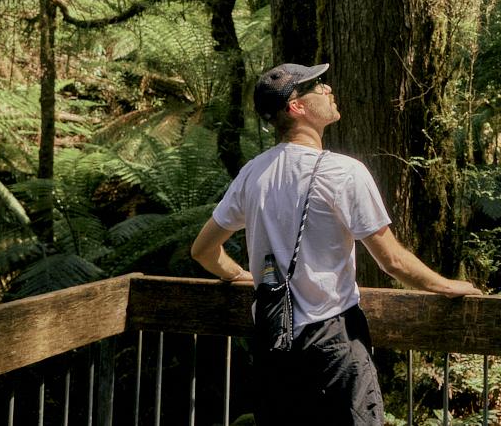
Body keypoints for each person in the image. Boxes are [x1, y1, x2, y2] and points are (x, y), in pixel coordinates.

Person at [191, 62, 480, 425]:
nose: (328, 89)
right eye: (317, 86)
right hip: (334, 343)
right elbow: (391, 260)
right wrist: (446, 285)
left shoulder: (252, 173)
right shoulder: (343, 171)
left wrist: (238, 274)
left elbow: (202, 251)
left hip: (272, 344)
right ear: (296, 107)